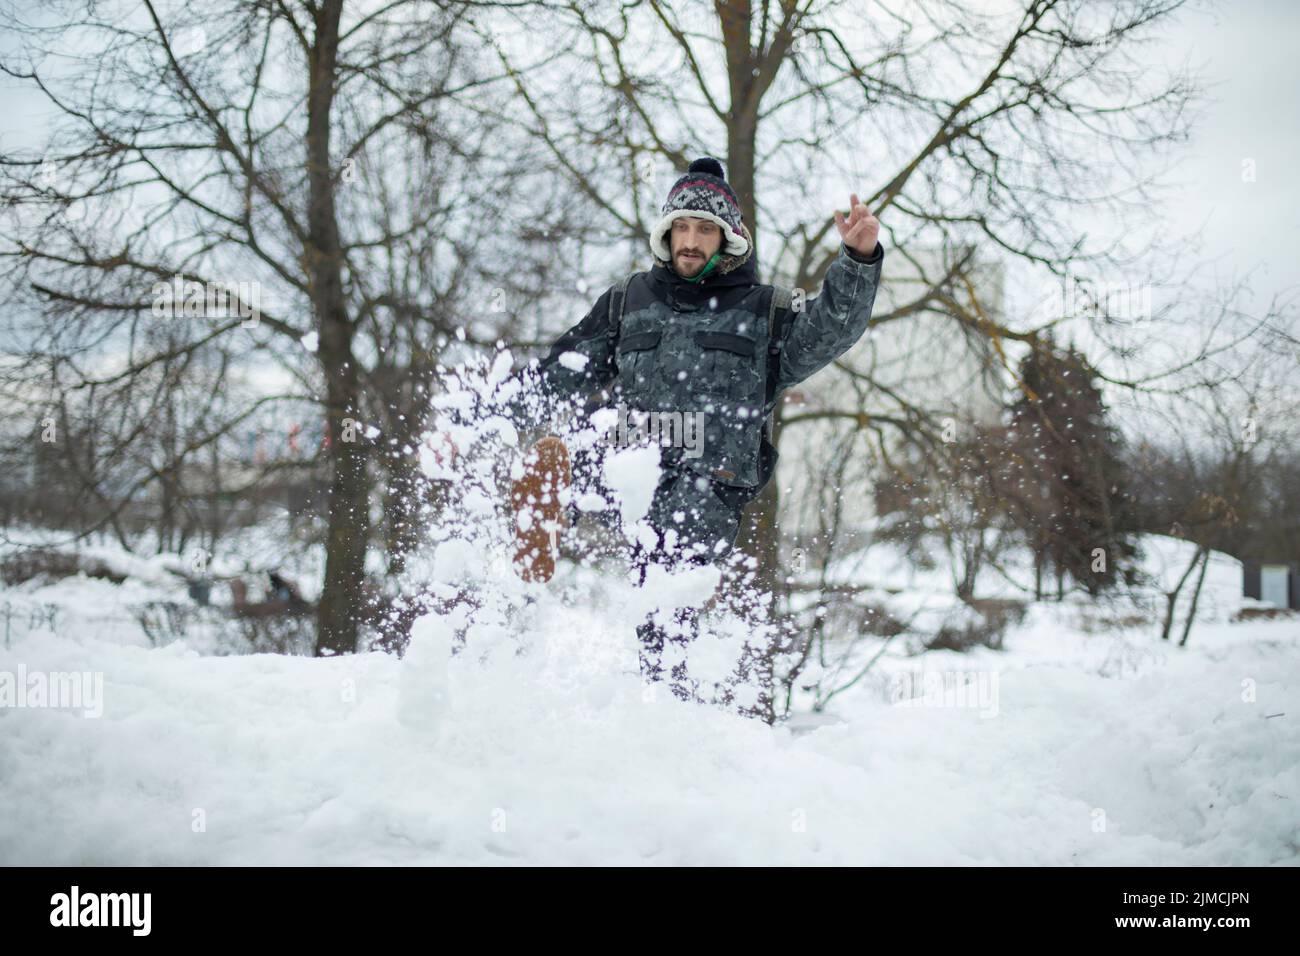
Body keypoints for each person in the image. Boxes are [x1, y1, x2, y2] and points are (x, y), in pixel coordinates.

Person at [499, 157, 885, 702]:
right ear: (666, 233)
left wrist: (858, 260)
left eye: (705, 229)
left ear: (727, 238)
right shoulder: (627, 301)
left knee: (669, 581)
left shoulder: (766, 311)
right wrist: (481, 416)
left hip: (709, 479)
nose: (690, 240)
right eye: (681, 226)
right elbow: (564, 370)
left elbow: (830, 329)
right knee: (593, 432)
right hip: (632, 461)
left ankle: (669, 702)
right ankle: (551, 500)